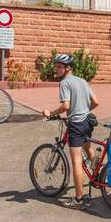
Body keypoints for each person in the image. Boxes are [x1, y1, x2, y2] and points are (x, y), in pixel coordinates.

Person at [42, 53, 100, 209]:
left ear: (68, 68)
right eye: (56, 66)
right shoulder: (82, 81)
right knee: (88, 147)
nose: (57, 69)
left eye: (59, 66)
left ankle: (79, 200)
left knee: (76, 161)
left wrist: (51, 113)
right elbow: (96, 102)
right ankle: (96, 176)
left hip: (76, 124)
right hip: (88, 121)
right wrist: (83, 110)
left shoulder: (65, 83)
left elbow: (66, 106)